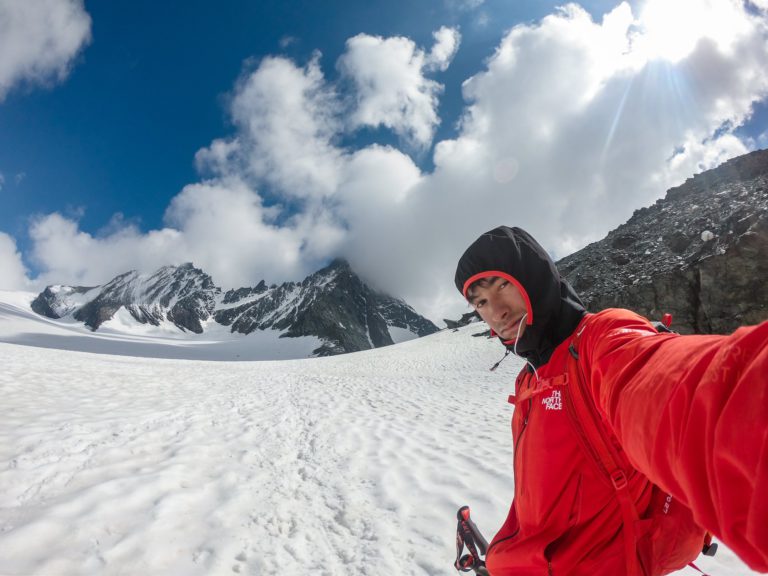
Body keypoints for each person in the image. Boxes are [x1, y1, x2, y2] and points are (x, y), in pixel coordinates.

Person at [454, 225, 768, 576]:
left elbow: (685, 393)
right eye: (480, 302)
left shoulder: (600, 341)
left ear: (533, 277)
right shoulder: (529, 379)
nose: (497, 311)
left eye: (503, 285)